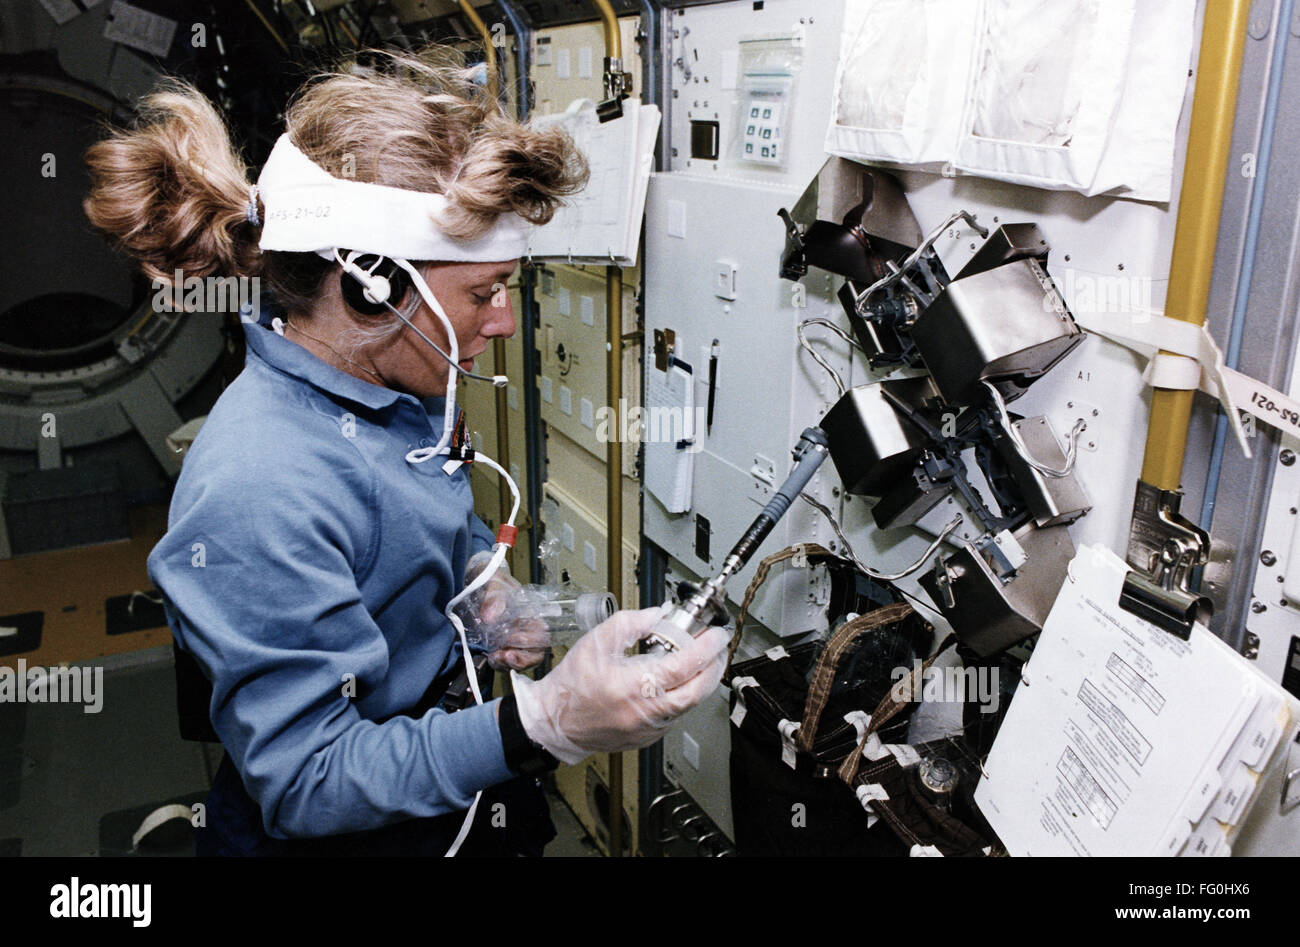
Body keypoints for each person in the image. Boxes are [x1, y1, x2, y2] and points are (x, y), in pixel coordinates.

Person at [82, 49, 729, 856]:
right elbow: (309, 777)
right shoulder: (259, 484)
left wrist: (474, 595)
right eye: (485, 292)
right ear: (372, 286)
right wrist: (549, 719)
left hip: (453, 770)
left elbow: (405, 536)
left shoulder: (399, 393)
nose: (502, 321)